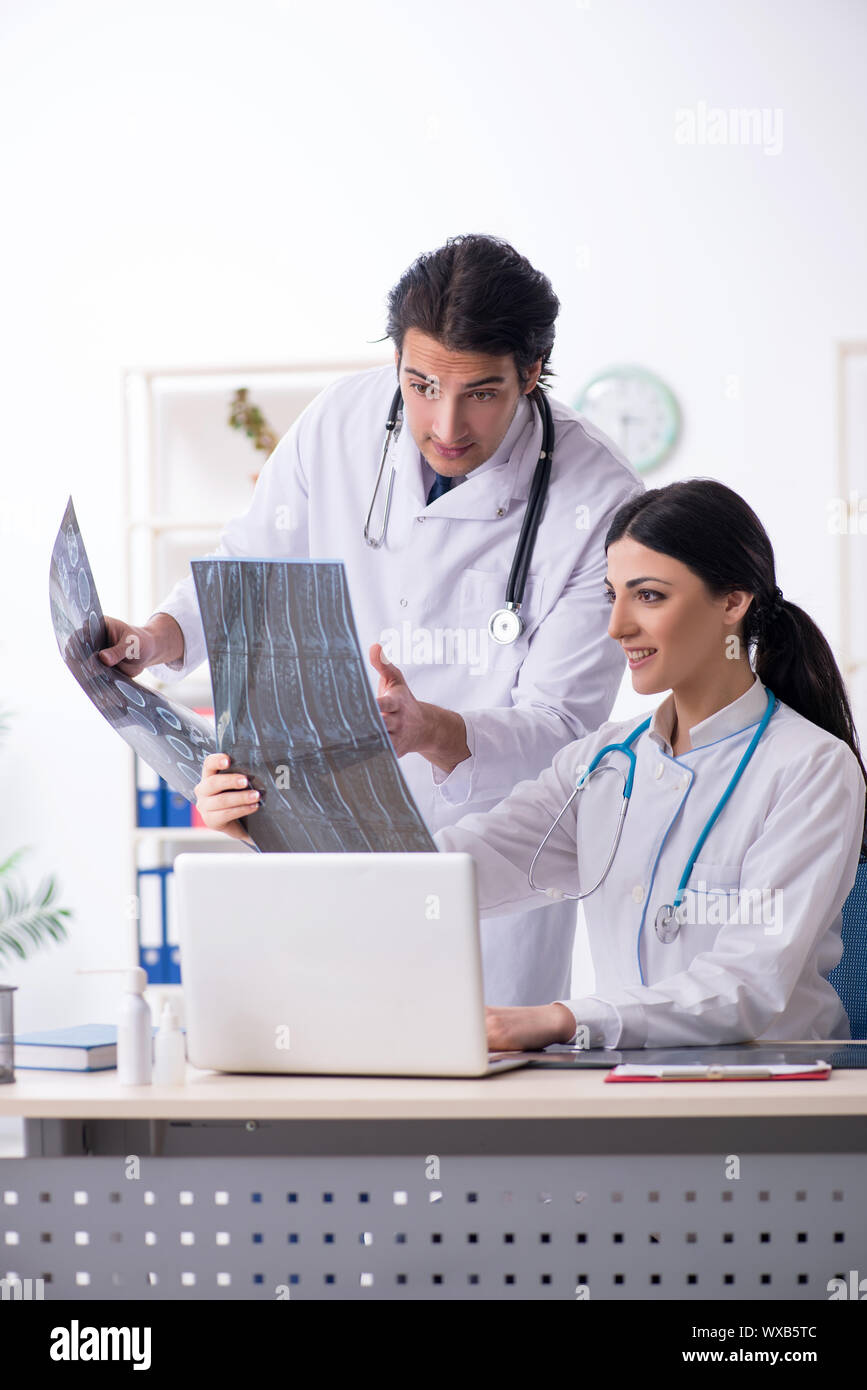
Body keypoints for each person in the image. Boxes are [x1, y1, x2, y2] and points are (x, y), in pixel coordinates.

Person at [98, 233, 643, 1007]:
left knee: (469, 1098)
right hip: (319, 825)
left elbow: (562, 730)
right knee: (311, 1071)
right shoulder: (342, 422)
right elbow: (249, 568)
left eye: (481, 392)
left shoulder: (599, 502)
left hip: (486, 873)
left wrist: (434, 731)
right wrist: (153, 639)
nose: (445, 423)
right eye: (419, 384)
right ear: (396, 360)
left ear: (532, 372)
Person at [195, 479, 867, 1051]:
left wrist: (556, 1018)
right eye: (611, 595)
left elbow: (747, 987)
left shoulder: (810, 768)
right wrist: (277, 822)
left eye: (649, 596)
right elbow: (445, 872)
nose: (616, 627)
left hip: (778, 1092)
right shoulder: (602, 763)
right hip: (628, 1084)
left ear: (732, 601)